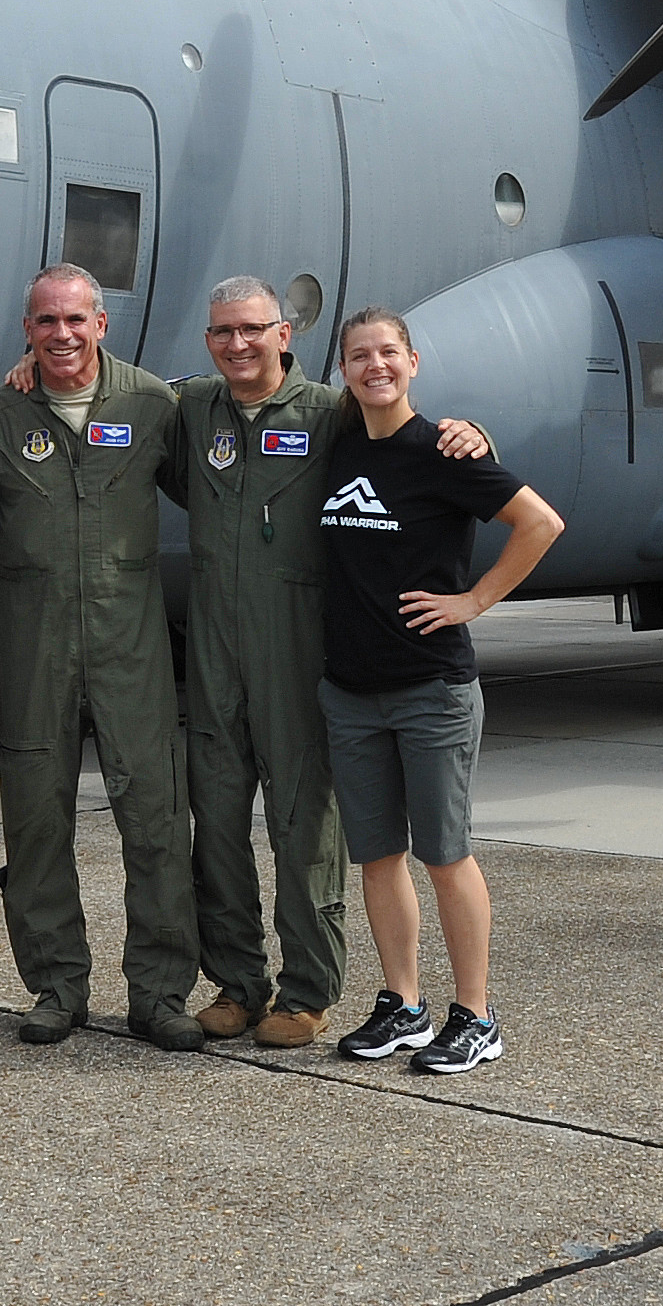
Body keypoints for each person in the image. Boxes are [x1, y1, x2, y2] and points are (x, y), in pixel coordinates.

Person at [167, 278, 488, 1050]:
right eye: (222, 333)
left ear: (285, 334)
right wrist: (28, 373)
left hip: (301, 650)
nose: (237, 345)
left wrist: (473, 434)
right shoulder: (188, 410)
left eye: (253, 330)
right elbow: (101, 398)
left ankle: (308, 990)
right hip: (214, 650)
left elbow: (404, 430)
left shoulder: (328, 413)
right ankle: (238, 984)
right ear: (209, 341)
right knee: (214, 822)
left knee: (304, 825)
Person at [319, 304, 563, 1076]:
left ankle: (476, 1016)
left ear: (413, 362)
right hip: (351, 691)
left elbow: (540, 524)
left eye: (387, 352)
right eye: (359, 355)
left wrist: (474, 602)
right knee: (377, 855)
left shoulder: (447, 451)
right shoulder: (336, 448)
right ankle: (403, 1007)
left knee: (445, 854)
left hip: (431, 688)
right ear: (344, 370)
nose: (374, 366)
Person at [0, 265, 202, 1050]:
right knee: (34, 822)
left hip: (131, 647)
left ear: (102, 323)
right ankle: (56, 987)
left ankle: (161, 995)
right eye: (44, 322)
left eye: (75, 319)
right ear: (26, 331)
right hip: (35, 649)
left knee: (157, 823)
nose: (61, 334)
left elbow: (214, 481)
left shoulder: (151, 404)